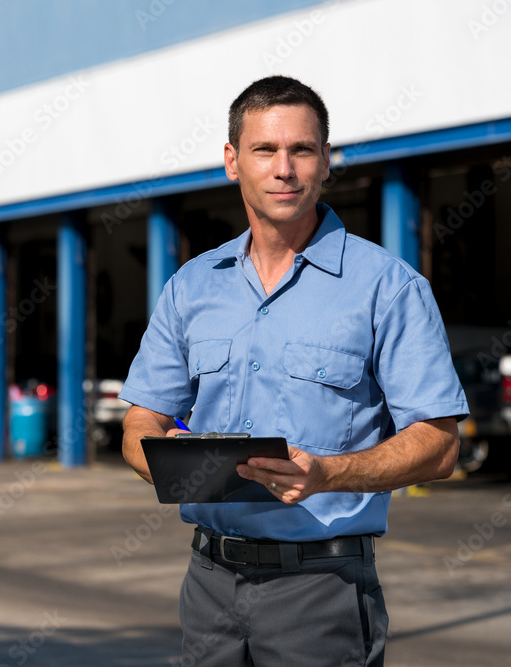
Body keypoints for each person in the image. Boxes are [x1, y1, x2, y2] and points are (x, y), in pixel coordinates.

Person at [118, 76, 468, 666]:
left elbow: (439, 445)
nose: (284, 169)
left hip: (321, 590)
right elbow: (139, 423)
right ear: (232, 161)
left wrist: (327, 473)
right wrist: (169, 460)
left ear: (326, 161)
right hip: (208, 586)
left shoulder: (387, 287)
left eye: (301, 150)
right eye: (264, 150)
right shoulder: (191, 287)